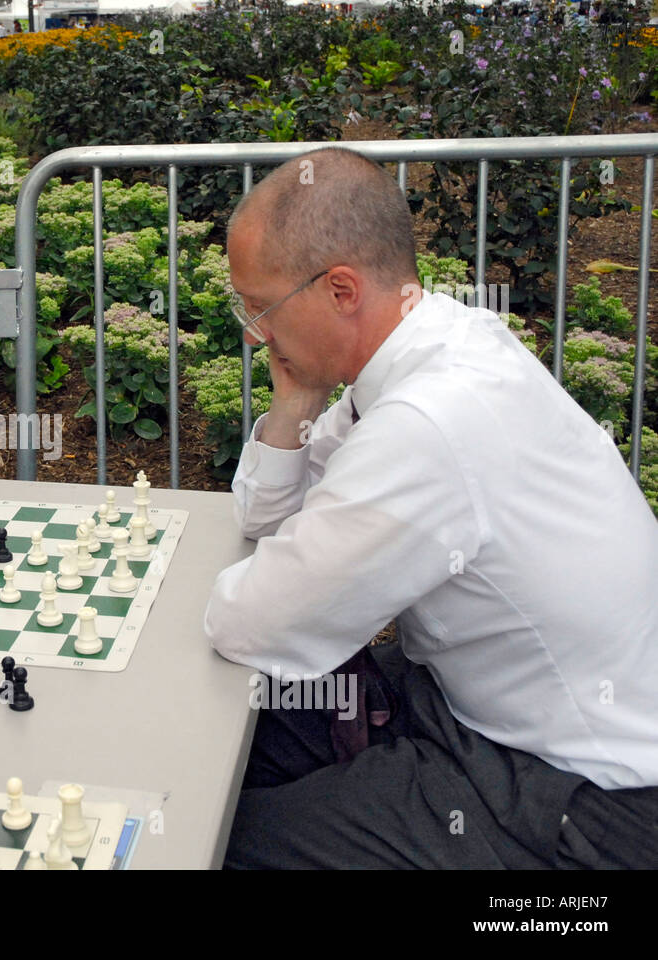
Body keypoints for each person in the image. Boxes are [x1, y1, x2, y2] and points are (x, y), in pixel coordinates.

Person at [205, 147, 658, 868]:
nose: (254, 334)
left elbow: (251, 623)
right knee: (239, 741)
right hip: (484, 714)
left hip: (588, 798)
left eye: (260, 308)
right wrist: (294, 398)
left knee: (221, 838)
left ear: (342, 290)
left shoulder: (430, 418)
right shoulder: (432, 340)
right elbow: (268, 522)